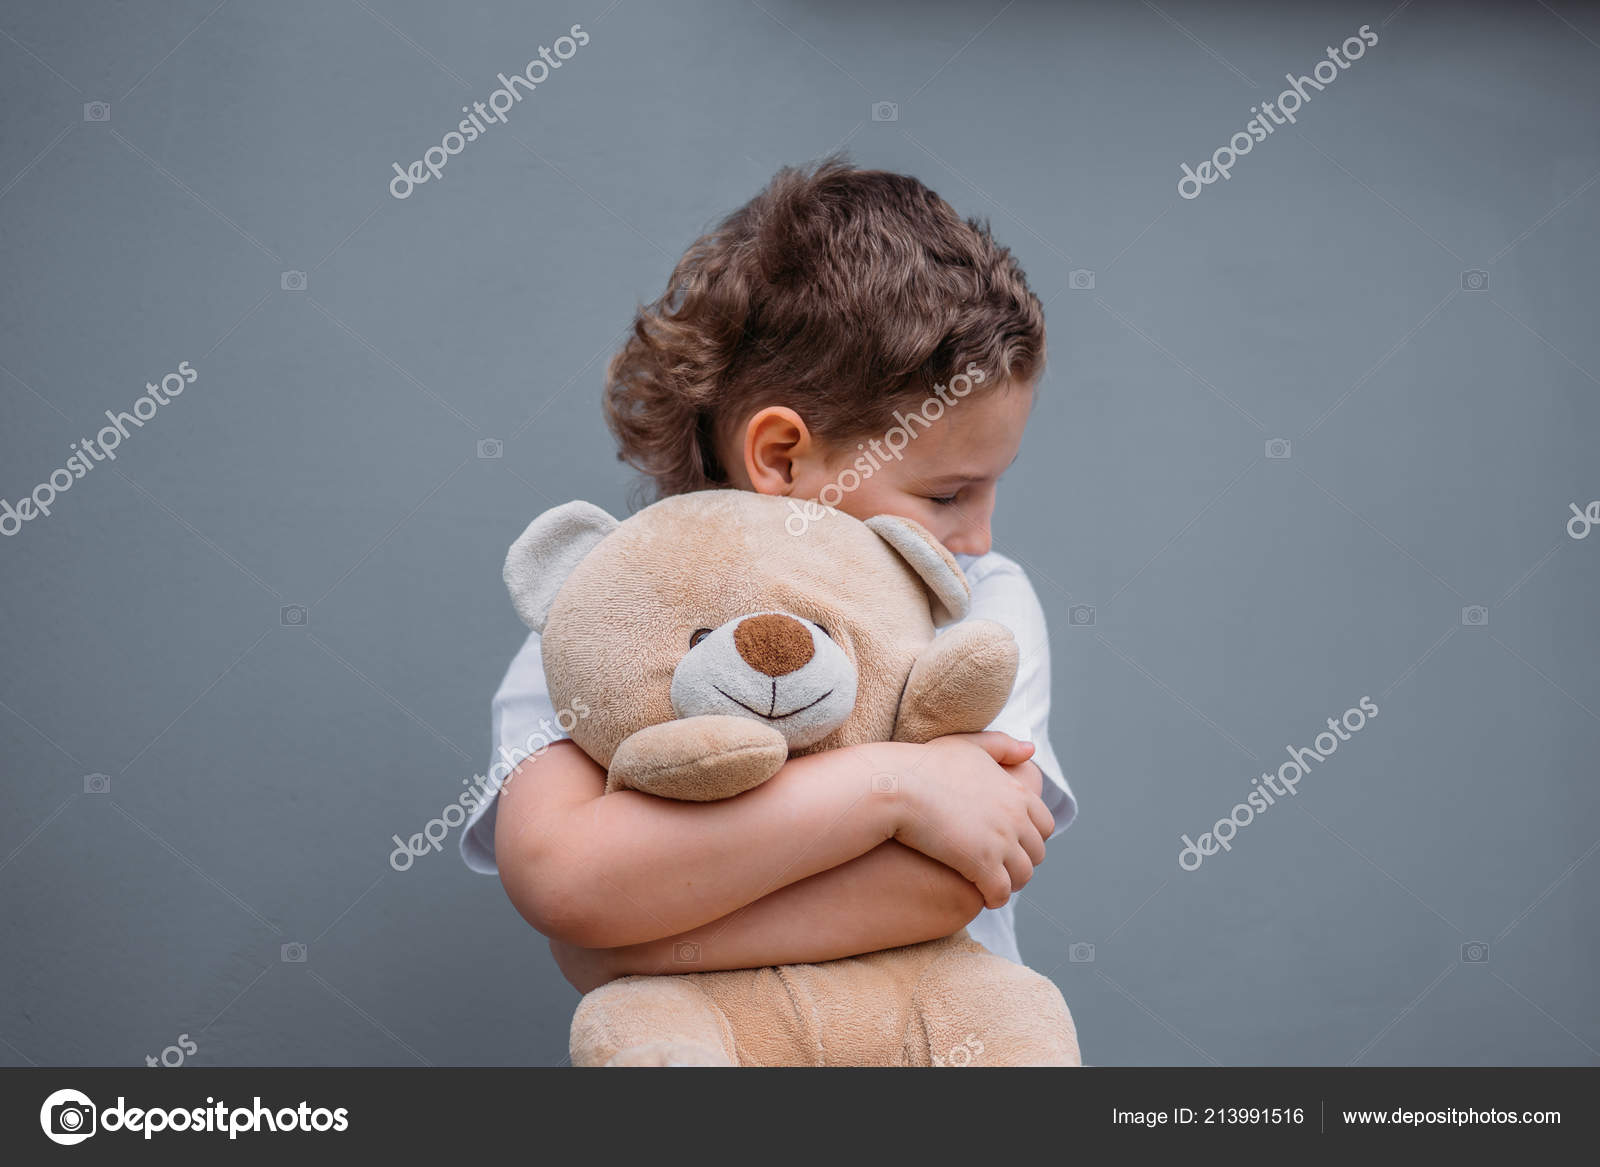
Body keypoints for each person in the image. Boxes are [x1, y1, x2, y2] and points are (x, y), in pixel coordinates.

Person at [461, 156, 1077, 998]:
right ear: (782, 456)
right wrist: (893, 787)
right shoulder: (602, 616)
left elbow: (958, 878)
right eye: (948, 493)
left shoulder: (980, 602)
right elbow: (564, 876)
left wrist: (627, 943)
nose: (979, 532)